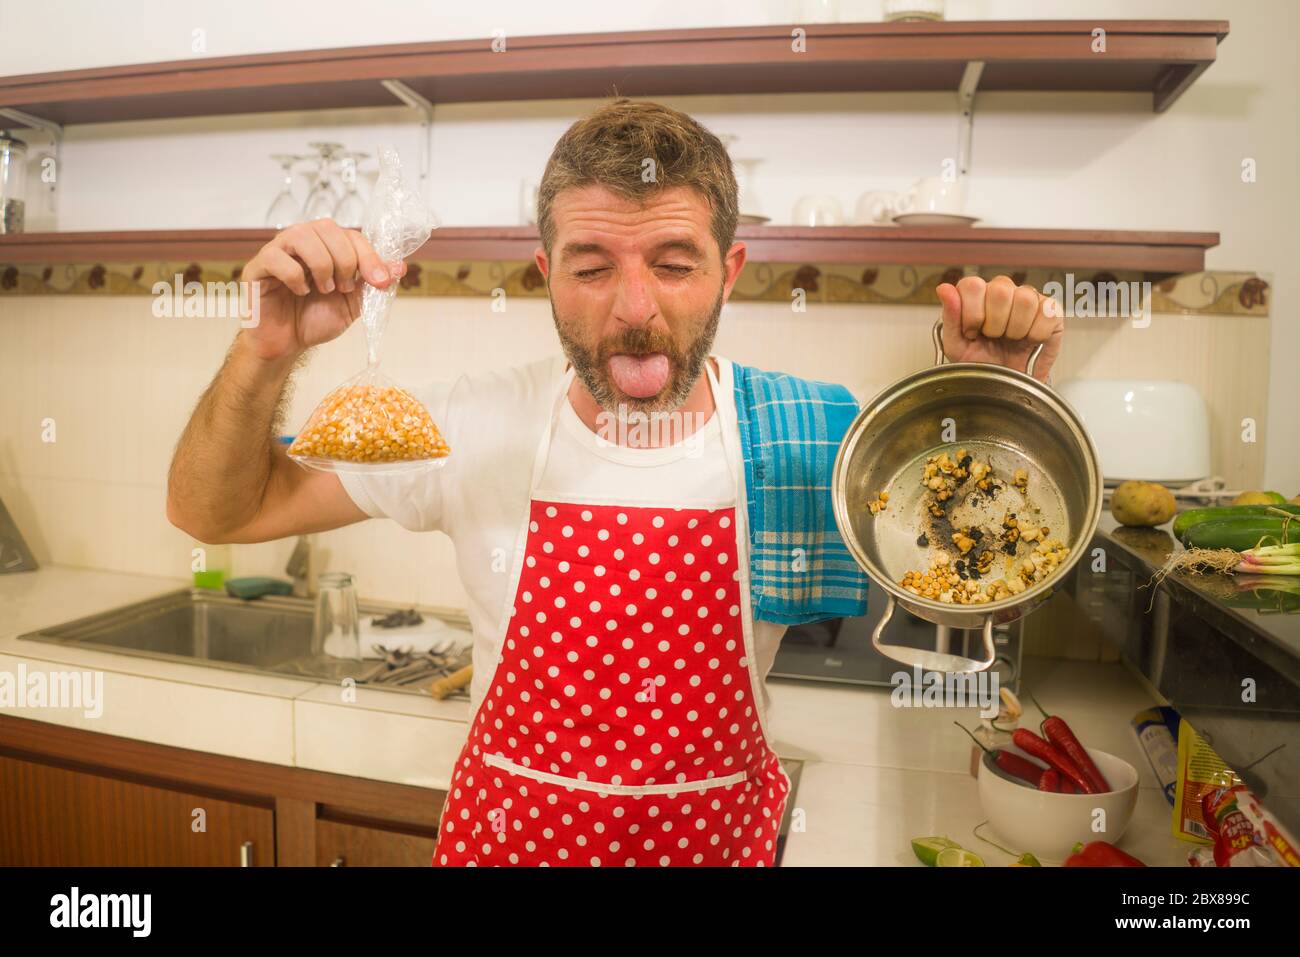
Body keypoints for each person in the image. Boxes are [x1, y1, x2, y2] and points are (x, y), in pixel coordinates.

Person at [167, 99, 1063, 867]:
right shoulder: (465, 427)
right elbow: (220, 509)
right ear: (545, 276)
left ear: (729, 274)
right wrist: (261, 352)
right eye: (593, 268)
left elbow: (976, 596)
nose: (635, 313)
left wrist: (991, 406)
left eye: (673, 264)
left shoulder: (806, 434)